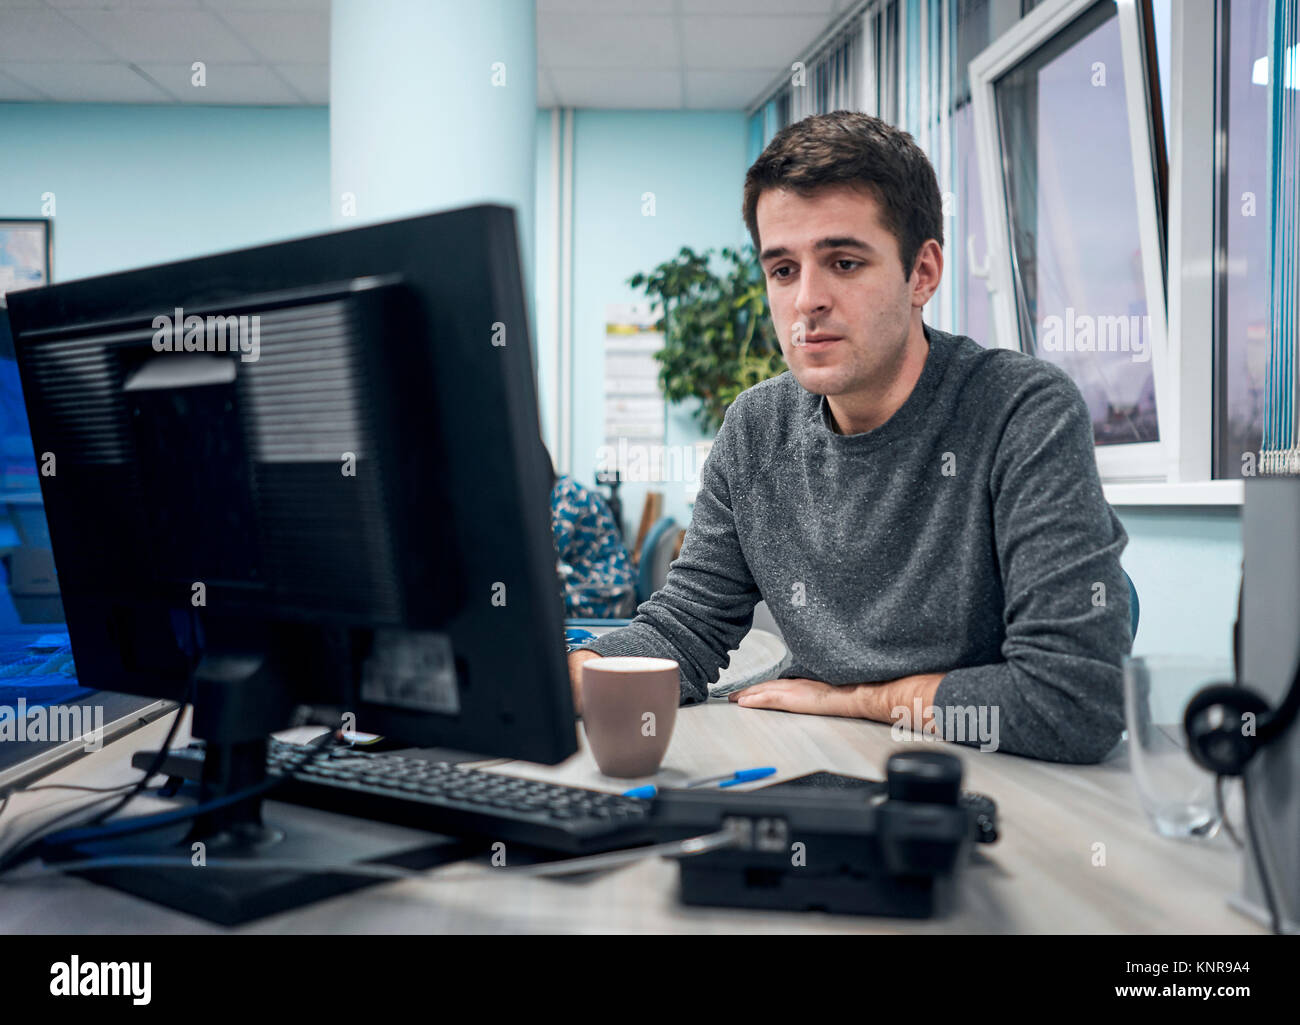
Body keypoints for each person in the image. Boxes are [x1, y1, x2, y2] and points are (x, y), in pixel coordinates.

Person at [567, 111, 1131, 764]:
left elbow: (1078, 699)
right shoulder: (754, 431)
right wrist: (576, 665)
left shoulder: (1020, 412)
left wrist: (863, 697)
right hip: (815, 756)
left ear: (922, 273)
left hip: (985, 777)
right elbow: (687, 628)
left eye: (843, 261)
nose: (807, 300)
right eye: (783, 270)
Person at [544, 443, 636, 620]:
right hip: (601, 583)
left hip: (608, 590)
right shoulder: (564, 488)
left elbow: (548, 552)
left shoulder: (566, 496)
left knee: (538, 602)